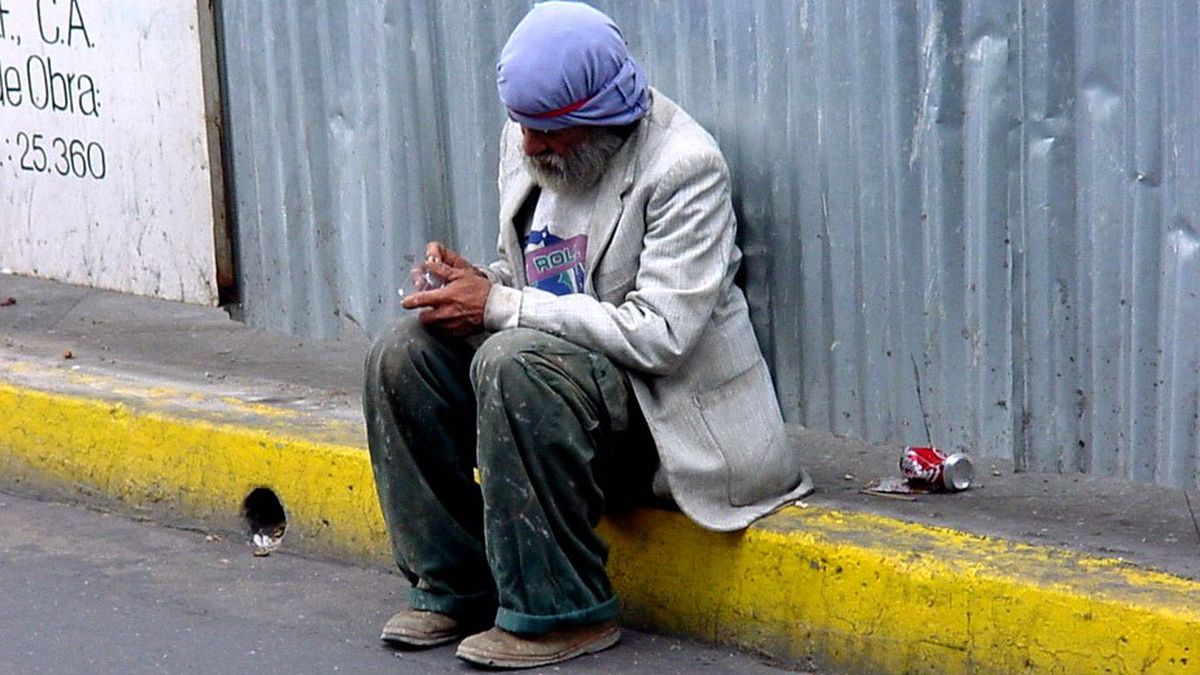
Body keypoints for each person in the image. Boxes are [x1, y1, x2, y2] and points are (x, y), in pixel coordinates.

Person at [363, 1, 812, 668]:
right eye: (524, 127)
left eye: (551, 133)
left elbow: (661, 336)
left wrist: (498, 306)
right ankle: (455, 585)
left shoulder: (684, 167)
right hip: (556, 389)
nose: (530, 146)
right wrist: (470, 286)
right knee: (403, 355)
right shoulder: (530, 147)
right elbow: (528, 280)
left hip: (661, 417)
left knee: (513, 361)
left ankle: (561, 612)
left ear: (604, 116)